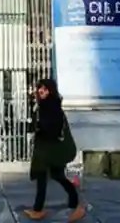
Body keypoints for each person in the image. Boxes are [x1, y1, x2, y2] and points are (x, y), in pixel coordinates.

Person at [23, 79, 84, 222]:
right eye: (39, 88)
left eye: (44, 89)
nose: (40, 91)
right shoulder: (43, 105)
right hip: (48, 149)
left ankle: (38, 210)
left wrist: (40, 129)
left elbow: (53, 128)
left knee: (42, 177)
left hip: (50, 150)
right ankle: (74, 203)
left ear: (50, 90)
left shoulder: (51, 106)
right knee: (57, 176)